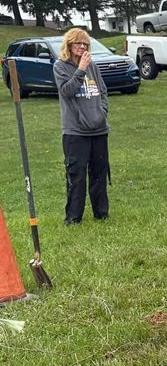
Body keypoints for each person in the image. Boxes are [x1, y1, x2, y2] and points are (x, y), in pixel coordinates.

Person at [53, 28, 110, 224]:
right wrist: (80, 70)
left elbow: (102, 90)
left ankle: (101, 214)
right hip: (75, 131)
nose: (82, 47)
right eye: (78, 43)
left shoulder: (92, 66)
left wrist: (102, 111)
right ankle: (73, 218)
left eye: (85, 44)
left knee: (99, 173)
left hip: (98, 128)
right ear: (69, 45)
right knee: (76, 176)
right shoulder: (60, 67)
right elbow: (67, 91)